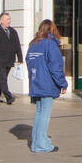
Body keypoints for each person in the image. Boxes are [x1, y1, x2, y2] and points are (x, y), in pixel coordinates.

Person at [25, 20, 67, 154]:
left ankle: (37, 142)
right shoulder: (51, 44)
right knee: (45, 114)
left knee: (39, 112)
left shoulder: (33, 44)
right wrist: (62, 84)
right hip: (47, 83)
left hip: (35, 81)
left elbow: (29, 62)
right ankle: (41, 144)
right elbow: (56, 66)